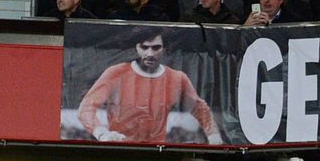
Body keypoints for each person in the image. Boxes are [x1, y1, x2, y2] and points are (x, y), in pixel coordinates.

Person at [71, 29, 224, 144]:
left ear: (165, 49)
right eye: (144, 47)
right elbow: (86, 108)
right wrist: (102, 133)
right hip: (120, 149)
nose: (150, 53)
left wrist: (214, 136)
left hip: (157, 152)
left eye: (156, 47)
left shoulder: (177, 78)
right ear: (136, 48)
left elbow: (200, 108)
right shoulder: (116, 73)